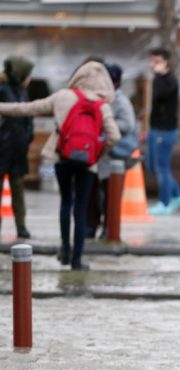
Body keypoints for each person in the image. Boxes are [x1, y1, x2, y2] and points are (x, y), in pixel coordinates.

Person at [0, 61, 120, 270]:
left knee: (66, 202)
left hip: (62, 158)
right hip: (87, 163)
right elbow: (114, 136)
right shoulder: (102, 105)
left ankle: (64, 250)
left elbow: (28, 108)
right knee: (81, 208)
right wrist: (97, 152)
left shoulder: (63, 96)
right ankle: (77, 260)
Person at [90, 64, 137, 239]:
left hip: (114, 155)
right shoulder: (101, 98)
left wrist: (106, 127)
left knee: (110, 194)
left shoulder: (120, 101)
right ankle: (94, 226)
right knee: (96, 193)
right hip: (100, 154)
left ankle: (109, 229)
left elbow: (128, 124)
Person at [147, 48, 180, 216]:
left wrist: (159, 75)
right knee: (152, 165)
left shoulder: (169, 81)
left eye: (157, 61)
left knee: (161, 167)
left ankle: (165, 202)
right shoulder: (159, 79)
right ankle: (178, 194)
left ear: (165, 62)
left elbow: (160, 95)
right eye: (152, 61)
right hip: (155, 128)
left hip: (165, 131)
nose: (153, 65)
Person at [0, 56, 35, 239]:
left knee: (18, 191)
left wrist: (28, 137)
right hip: (3, 148)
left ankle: (21, 226)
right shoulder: (3, 89)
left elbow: (28, 116)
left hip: (18, 149)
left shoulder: (22, 91)